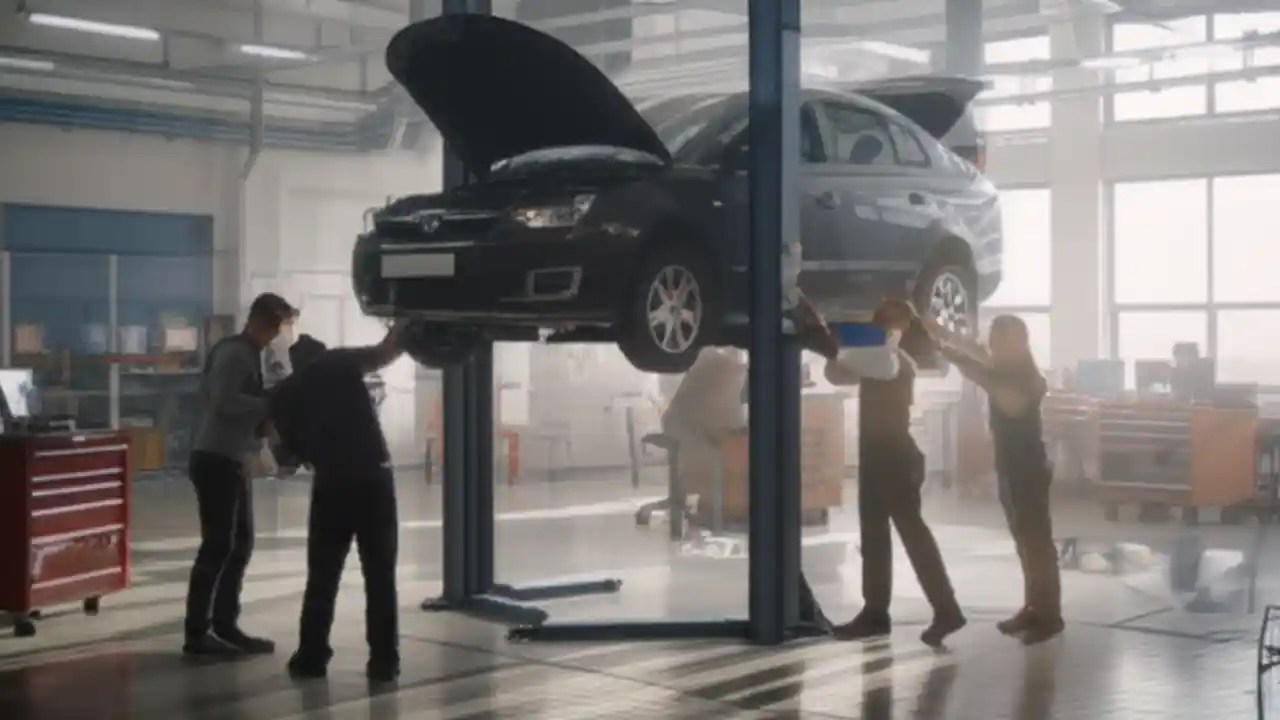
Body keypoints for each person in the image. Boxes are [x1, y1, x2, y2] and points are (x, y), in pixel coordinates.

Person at [798, 297, 965, 647]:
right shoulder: (877, 358)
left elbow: (846, 362)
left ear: (905, 327)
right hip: (876, 457)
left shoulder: (894, 361)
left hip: (895, 459)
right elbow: (837, 371)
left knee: (912, 536)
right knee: (874, 537)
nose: (885, 328)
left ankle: (946, 609)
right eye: (880, 322)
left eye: (892, 323)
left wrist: (826, 336)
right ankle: (875, 614)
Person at [271, 324, 408, 683]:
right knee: (379, 576)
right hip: (374, 479)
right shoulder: (342, 361)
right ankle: (384, 661)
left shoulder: (285, 393)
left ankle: (312, 656)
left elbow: (286, 460)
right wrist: (405, 324)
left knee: (322, 575)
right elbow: (387, 352)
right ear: (323, 352)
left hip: (332, 483)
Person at [923, 313, 1063, 645]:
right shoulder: (1003, 366)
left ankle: (1050, 616)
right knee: (1023, 543)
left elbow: (1006, 398)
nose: (997, 346)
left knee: (1036, 543)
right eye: (995, 340)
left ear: (1022, 342)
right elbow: (975, 353)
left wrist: (953, 355)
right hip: (1009, 468)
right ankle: (1034, 607)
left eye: (1005, 341)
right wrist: (941, 333)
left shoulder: (1030, 378)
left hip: (1028, 470)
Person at [184, 292, 296, 657]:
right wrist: (268, 402)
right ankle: (197, 633)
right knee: (218, 545)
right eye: (277, 324)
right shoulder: (235, 353)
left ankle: (225, 624)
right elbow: (221, 401)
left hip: (232, 459)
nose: (278, 332)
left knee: (240, 544)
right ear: (264, 321)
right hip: (216, 459)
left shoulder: (247, 352)